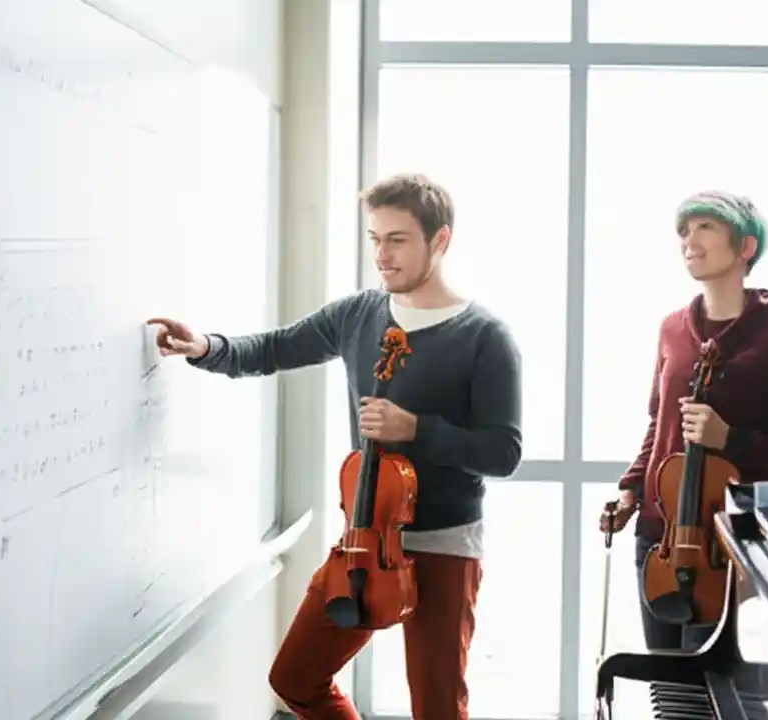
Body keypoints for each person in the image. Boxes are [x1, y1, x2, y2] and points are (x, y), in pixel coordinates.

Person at [147, 173, 523, 720]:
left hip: (445, 545)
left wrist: (416, 429)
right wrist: (207, 347)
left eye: (397, 240)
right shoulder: (358, 315)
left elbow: (502, 453)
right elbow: (276, 347)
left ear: (440, 241)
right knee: (295, 678)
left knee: (437, 707)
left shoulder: (486, 337)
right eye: (375, 238)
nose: (382, 255)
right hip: (363, 541)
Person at [598, 190, 768, 651]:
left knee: (715, 689)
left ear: (745, 247)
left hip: (730, 542)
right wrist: (630, 488)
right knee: (666, 677)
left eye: (706, 228)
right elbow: (657, 424)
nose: (690, 240)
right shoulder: (670, 327)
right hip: (658, 530)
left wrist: (732, 439)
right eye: (684, 230)